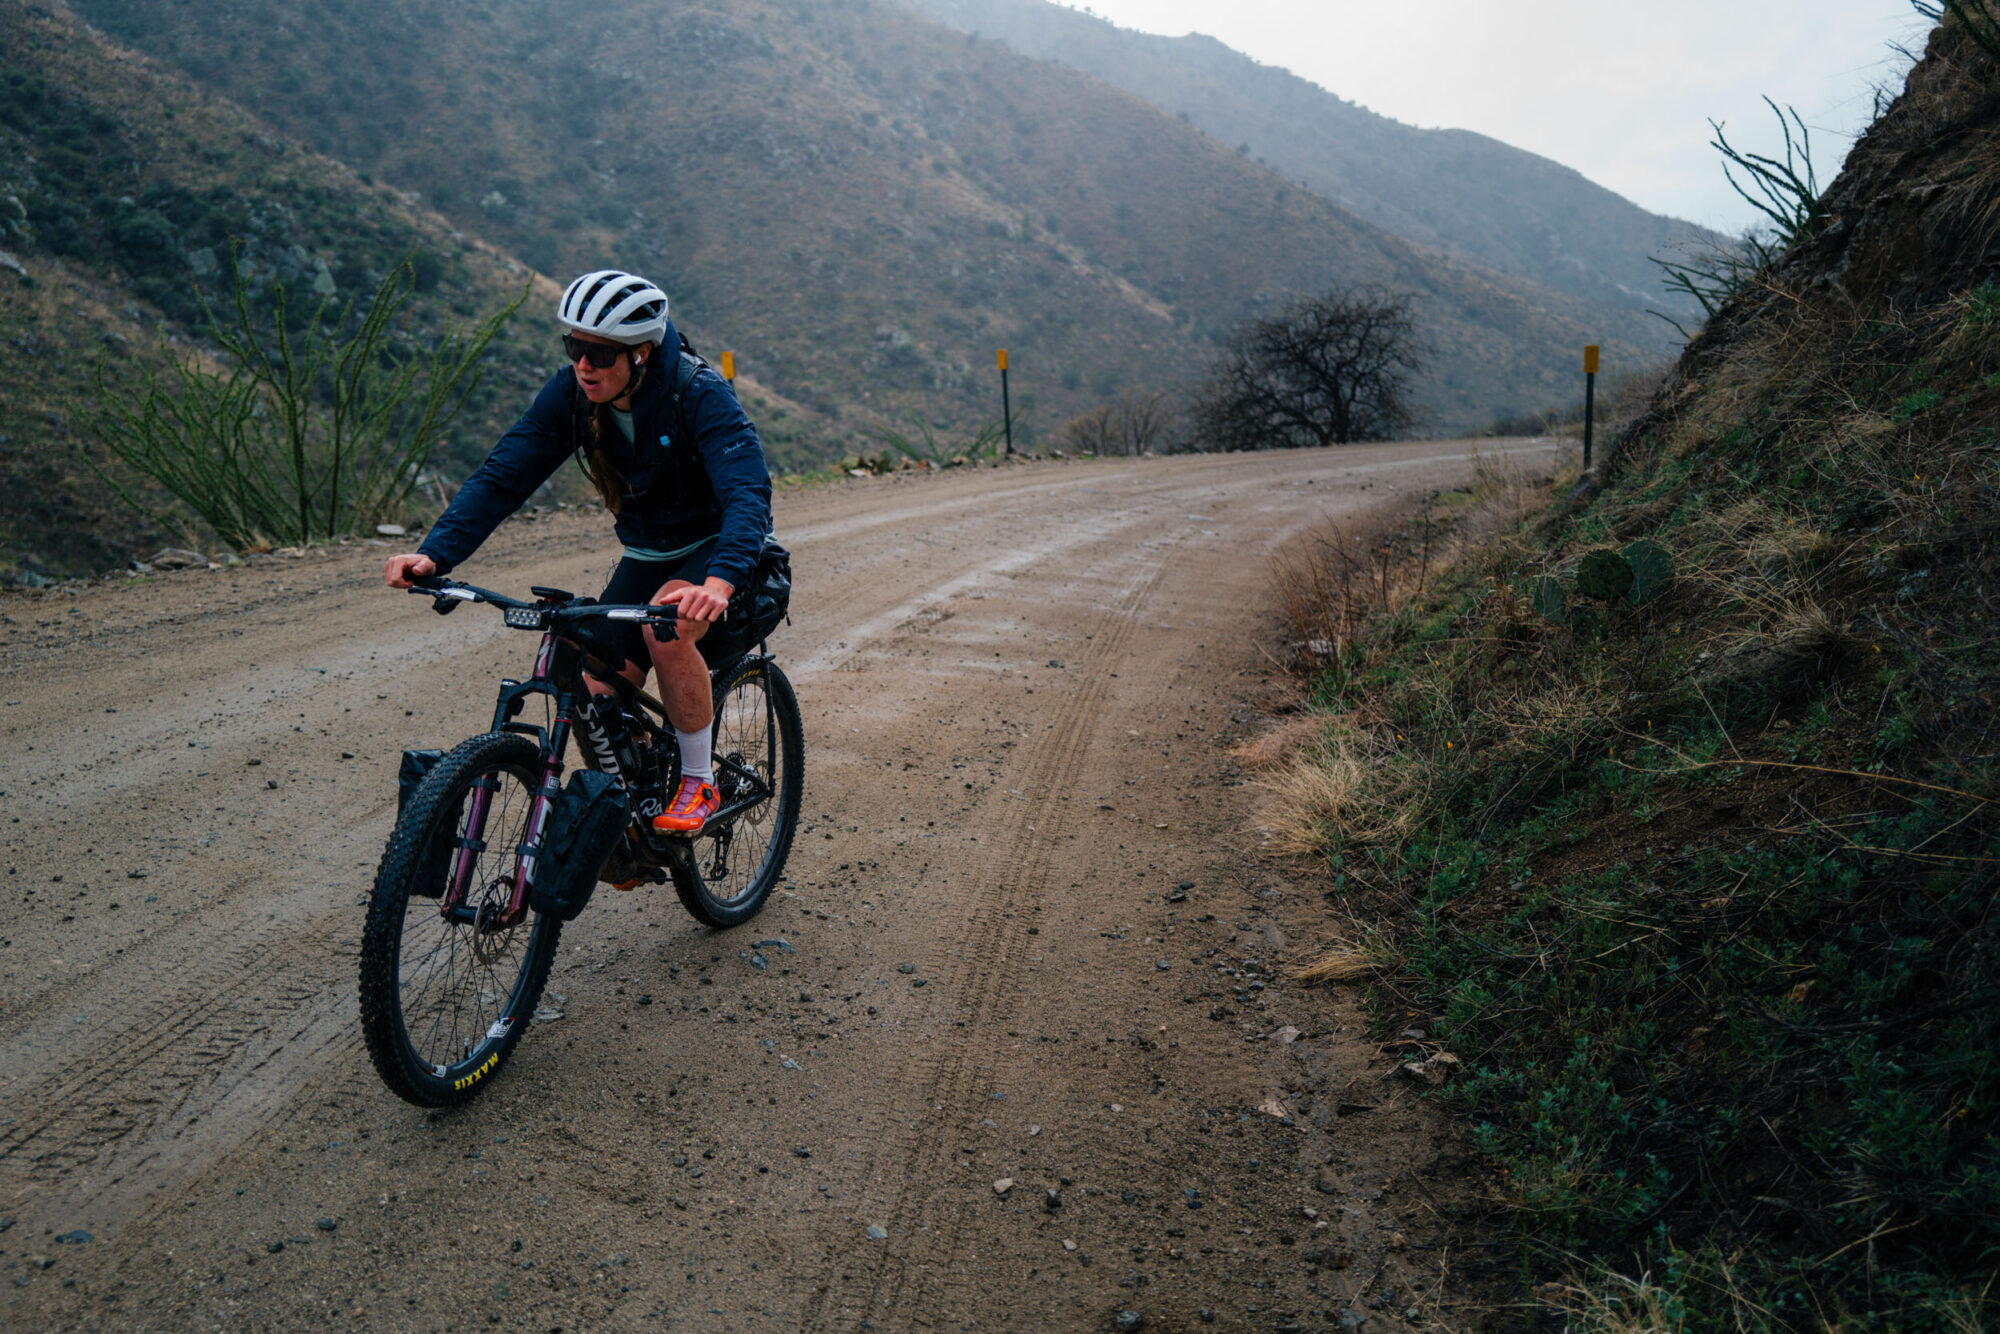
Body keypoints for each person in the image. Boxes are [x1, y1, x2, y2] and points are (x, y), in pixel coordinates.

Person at [384, 269, 774, 834]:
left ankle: (698, 781)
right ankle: (634, 806)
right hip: (646, 550)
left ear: (642, 353)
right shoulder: (572, 394)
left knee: (666, 627)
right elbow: (504, 475)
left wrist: (718, 582)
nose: (583, 365)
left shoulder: (699, 391)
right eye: (573, 347)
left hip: (714, 548)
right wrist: (436, 555)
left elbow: (748, 491)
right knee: (590, 677)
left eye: (598, 352)